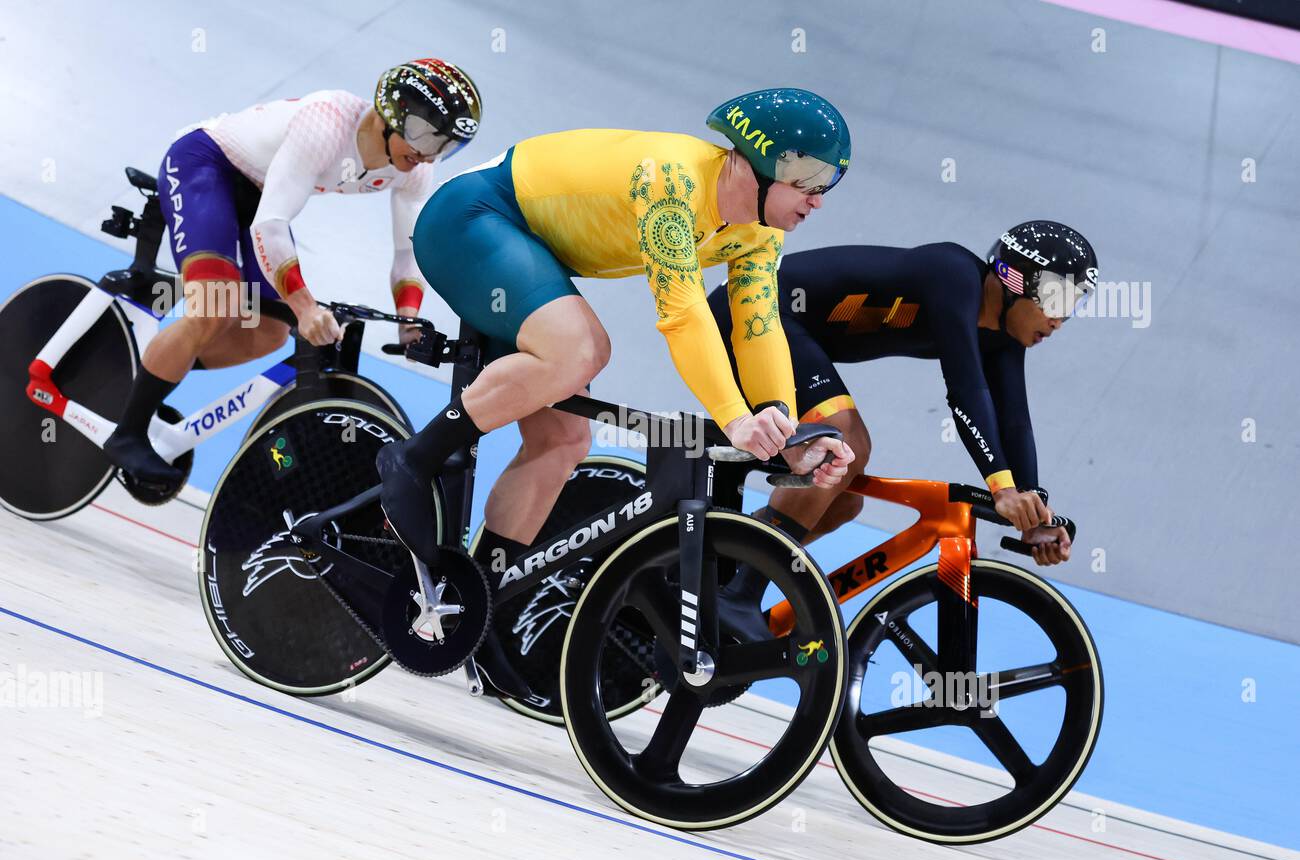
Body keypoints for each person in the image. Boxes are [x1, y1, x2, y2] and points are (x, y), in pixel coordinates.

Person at [378, 88, 857, 700]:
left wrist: (781, 425)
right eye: (810, 177)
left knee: (563, 439)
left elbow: (757, 327)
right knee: (583, 348)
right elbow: (683, 314)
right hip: (473, 216)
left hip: (529, 249)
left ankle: (478, 613)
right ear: (757, 161)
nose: (820, 197)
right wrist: (735, 419)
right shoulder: (672, 184)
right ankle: (413, 458)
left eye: (832, 181)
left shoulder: (759, 233)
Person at [103, 58, 482, 485]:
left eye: (443, 144)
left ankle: (143, 376)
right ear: (391, 114)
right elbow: (271, 225)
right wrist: (304, 307)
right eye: (423, 134)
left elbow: (406, 253)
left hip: (259, 193)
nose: (427, 153)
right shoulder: (326, 123)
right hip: (206, 164)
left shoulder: (416, 168)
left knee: (267, 332)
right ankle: (128, 433)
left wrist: (409, 322)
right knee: (215, 306)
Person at [708, 221, 1097, 584]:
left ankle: (714, 567)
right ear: (1012, 281)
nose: (1060, 320)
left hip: (791, 330)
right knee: (846, 445)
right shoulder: (954, 274)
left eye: (1074, 305)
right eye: (1056, 300)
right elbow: (966, 391)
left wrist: (1033, 510)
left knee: (839, 502)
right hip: (755, 309)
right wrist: (1003, 491)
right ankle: (740, 595)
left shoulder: (1002, 337)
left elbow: (1014, 421)